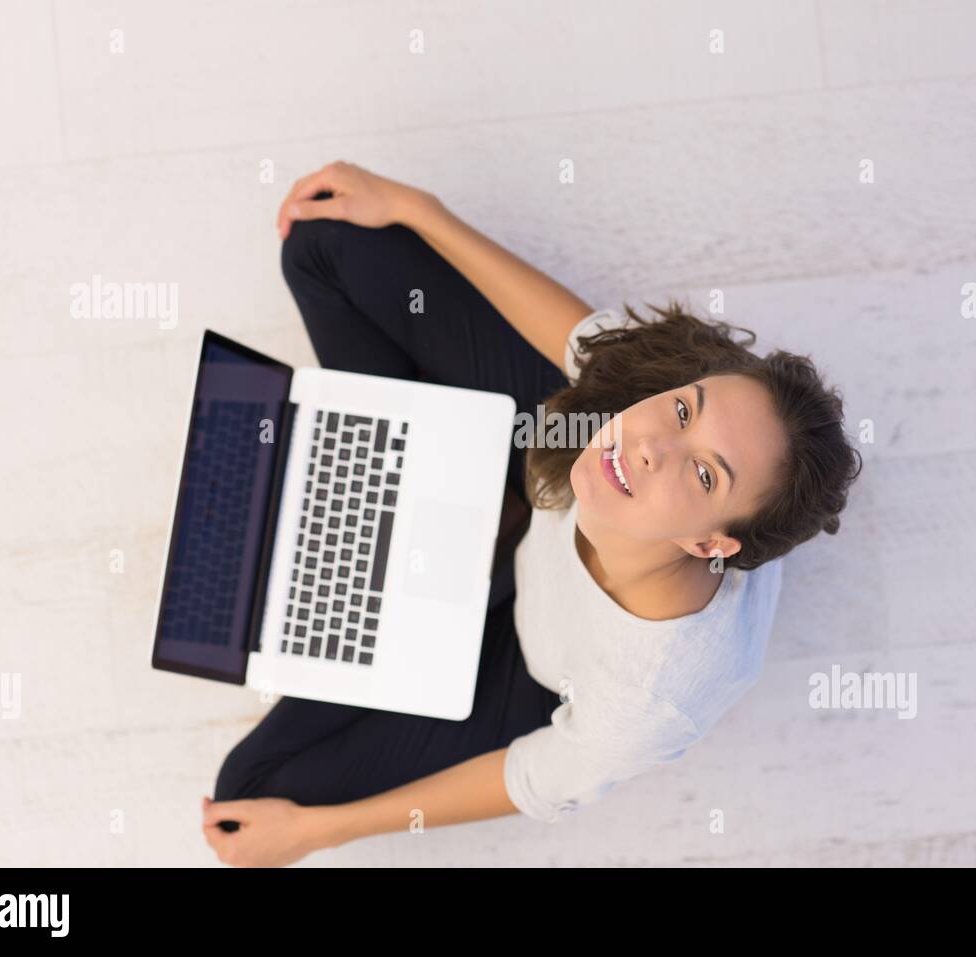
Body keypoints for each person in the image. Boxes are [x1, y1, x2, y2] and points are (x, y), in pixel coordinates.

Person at [201, 162, 863, 866]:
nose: (649, 446)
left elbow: (526, 775)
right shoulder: (654, 414)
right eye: (681, 407)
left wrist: (315, 832)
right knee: (325, 239)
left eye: (703, 473)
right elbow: (584, 345)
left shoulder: (652, 697)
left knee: (254, 793)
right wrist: (421, 208)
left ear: (709, 542)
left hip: (522, 653)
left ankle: (414, 510)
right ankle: (412, 470)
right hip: (535, 466)